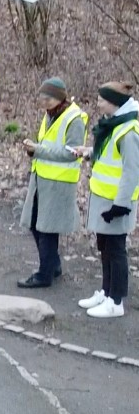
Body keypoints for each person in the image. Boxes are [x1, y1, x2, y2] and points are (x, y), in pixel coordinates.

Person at [75, 82, 139, 318]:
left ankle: (116, 301)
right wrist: (89, 152)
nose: (98, 103)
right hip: (103, 198)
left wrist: (120, 206)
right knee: (104, 246)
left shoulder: (129, 131)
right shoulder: (114, 125)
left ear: (114, 103)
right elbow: (110, 155)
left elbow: (132, 171)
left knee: (116, 249)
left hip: (116, 204)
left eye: (102, 99)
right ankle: (106, 291)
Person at [17, 78, 87, 289]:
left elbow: (72, 153)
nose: (44, 103)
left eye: (48, 98)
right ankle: (53, 265)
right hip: (42, 178)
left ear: (59, 97)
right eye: (42, 99)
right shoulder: (51, 114)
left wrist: (38, 149)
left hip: (59, 181)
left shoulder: (74, 118)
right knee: (36, 224)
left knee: (47, 229)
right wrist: (34, 150)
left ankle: (44, 274)